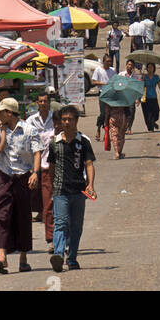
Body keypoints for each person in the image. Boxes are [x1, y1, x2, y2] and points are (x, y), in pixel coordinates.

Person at [47, 104, 96, 272]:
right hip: (61, 190)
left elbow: (88, 164)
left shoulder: (83, 142)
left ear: (76, 121)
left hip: (79, 190)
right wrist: (53, 185)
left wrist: (90, 184)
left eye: (70, 119)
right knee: (60, 223)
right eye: (64, 119)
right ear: (60, 122)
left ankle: (72, 258)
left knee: (76, 226)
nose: (67, 122)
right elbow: (52, 166)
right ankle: (59, 255)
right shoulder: (54, 143)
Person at [0, 96, 33, 275]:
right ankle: (2, 257)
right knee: (2, 216)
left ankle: (23, 259)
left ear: (9, 113)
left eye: (1, 112)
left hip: (23, 177)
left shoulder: (28, 130)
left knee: (23, 217)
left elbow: (37, 152)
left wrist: (36, 173)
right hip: (3, 176)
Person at [25, 89, 55, 247]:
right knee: (32, 203)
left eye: (45, 101)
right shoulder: (31, 121)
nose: (43, 104)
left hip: (50, 166)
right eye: (40, 101)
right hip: (33, 167)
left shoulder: (54, 119)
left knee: (49, 203)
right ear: (37, 103)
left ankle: (51, 239)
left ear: (49, 102)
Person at [92, 52, 113, 134]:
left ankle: (107, 131)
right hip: (102, 93)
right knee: (103, 113)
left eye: (110, 61)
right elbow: (93, 82)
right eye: (107, 61)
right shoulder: (98, 70)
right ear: (103, 61)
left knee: (110, 113)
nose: (109, 63)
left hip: (111, 94)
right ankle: (98, 128)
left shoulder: (112, 70)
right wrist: (103, 83)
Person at [142, 62, 160, 131]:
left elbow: (159, 85)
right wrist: (142, 79)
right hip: (144, 96)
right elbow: (141, 86)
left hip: (153, 96)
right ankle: (150, 127)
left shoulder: (156, 77)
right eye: (149, 67)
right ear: (147, 68)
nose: (150, 69)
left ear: (154, 68)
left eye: (151, 67)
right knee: (147, 113)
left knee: (156, 111)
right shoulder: (144, 76)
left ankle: (153, 122)